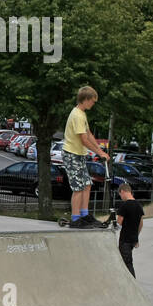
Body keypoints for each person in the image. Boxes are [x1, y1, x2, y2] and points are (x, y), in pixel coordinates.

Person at [63, 85, 109, 228]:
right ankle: (76, 219)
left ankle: (84, 215)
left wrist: (100, 150)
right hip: (72, 155)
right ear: (86, 99)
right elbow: (83, 139)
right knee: (78, 188)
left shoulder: (82, 114)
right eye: (93, 101)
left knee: (87, 185)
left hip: (80, 155)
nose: (93, 104)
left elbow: (89, 135)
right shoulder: (76, 115)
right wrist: (99, 153)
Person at [115, 182, 144, 277]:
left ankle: (133, 285)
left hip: (124, 240)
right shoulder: (138, 205)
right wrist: (136, 238)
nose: (121, 197)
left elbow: (118, 224)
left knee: (127, 264)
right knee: (127, 262)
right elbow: (141, 224)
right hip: (133, 240)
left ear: (122, 191)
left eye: (120, 195)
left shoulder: (124, 206)